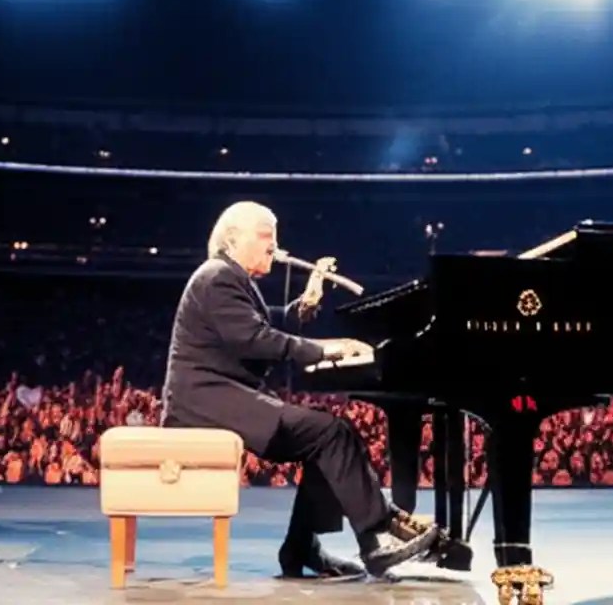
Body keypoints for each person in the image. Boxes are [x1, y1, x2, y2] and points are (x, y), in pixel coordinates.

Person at [159, 201, 439, 580]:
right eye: (265, 235)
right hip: (205, 402)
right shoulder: (217, 278)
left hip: (218, 397)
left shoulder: (230, 279)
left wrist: (305, 303)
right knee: (330, 433)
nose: (274, 244)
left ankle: (303, 549)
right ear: (233, 239)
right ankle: (374, 535)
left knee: (325, 437)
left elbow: (265, 322)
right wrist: (327, 347)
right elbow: (254, 338)